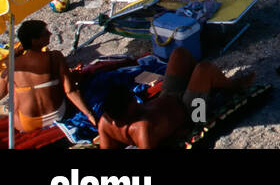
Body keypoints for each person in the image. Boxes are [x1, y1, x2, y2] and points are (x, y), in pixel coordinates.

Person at [97, 47, 255, 148]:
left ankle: (204, 86)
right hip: (193, 113)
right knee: (204, 69)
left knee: (180, 53)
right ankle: (232, 86)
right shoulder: (141, 129)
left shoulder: (105, 121)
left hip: (169, 95)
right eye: (132, 102)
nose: (137, 102)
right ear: (124, 115)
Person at [0, 20, 97, 132]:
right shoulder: (55, 57)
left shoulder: (12, 66)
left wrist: (14, 55)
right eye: (45, 33)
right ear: (34, 40)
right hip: (57, 115)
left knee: (15, 93)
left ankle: (5, 109)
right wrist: (89, 114)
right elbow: (70, 91)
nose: (50, 34)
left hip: (27, 123)